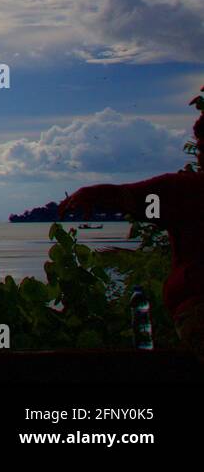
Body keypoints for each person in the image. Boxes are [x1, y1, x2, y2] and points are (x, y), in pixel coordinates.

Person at [59, 88, 204, 355]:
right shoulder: (185, 190)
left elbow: (133, 196)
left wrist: (92, 194)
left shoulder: (190, 191)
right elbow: (138, 196)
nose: (199, 157)